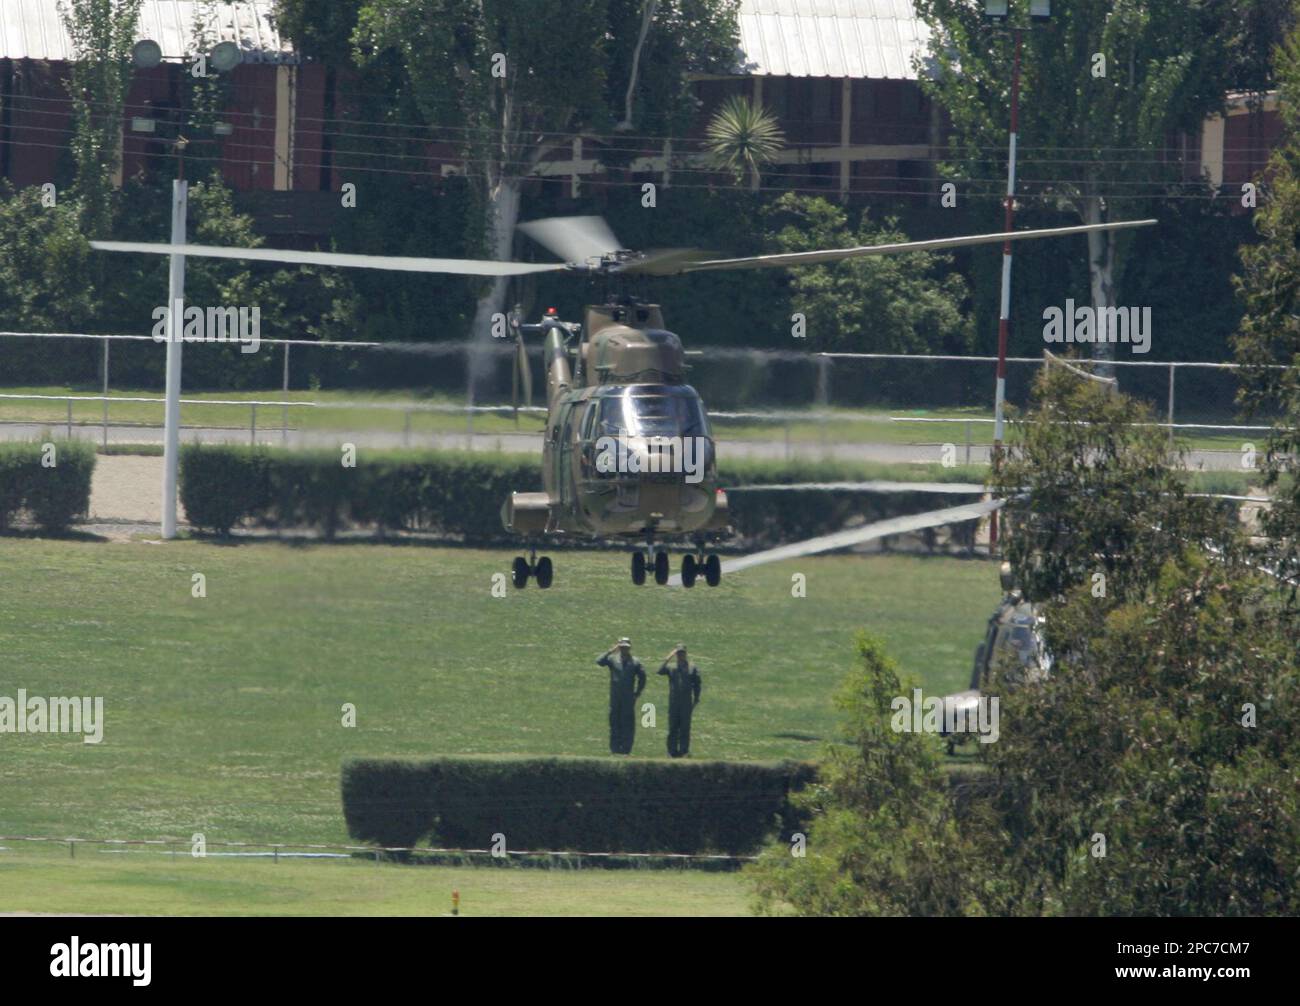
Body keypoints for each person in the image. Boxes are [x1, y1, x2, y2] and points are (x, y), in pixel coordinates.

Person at [596, 637, 646, 755]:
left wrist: (637, 693)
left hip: (628, 699)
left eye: (626, 647)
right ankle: (614, 749)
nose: (624, 649)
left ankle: (626, 750)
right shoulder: (613, 659)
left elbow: (643, 678)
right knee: (614, 724)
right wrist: (611, 650)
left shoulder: (635, 662)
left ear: (630, 648)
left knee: (627, 725)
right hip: (615, 698)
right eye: (622, 647)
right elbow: (599, 661)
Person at [657, 644, 702, 758]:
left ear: (685, 654)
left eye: (682, 653)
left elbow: (697, 684)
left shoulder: (692, 667)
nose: (680, 655)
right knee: (673, 727)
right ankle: (671, 751)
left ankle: (684, 751)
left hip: (686, 703)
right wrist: (668, 657)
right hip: (674, 702)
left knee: (685, 728)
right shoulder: (671, 667)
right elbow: (659, 670)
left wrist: (696, 698)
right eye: (678, 653)